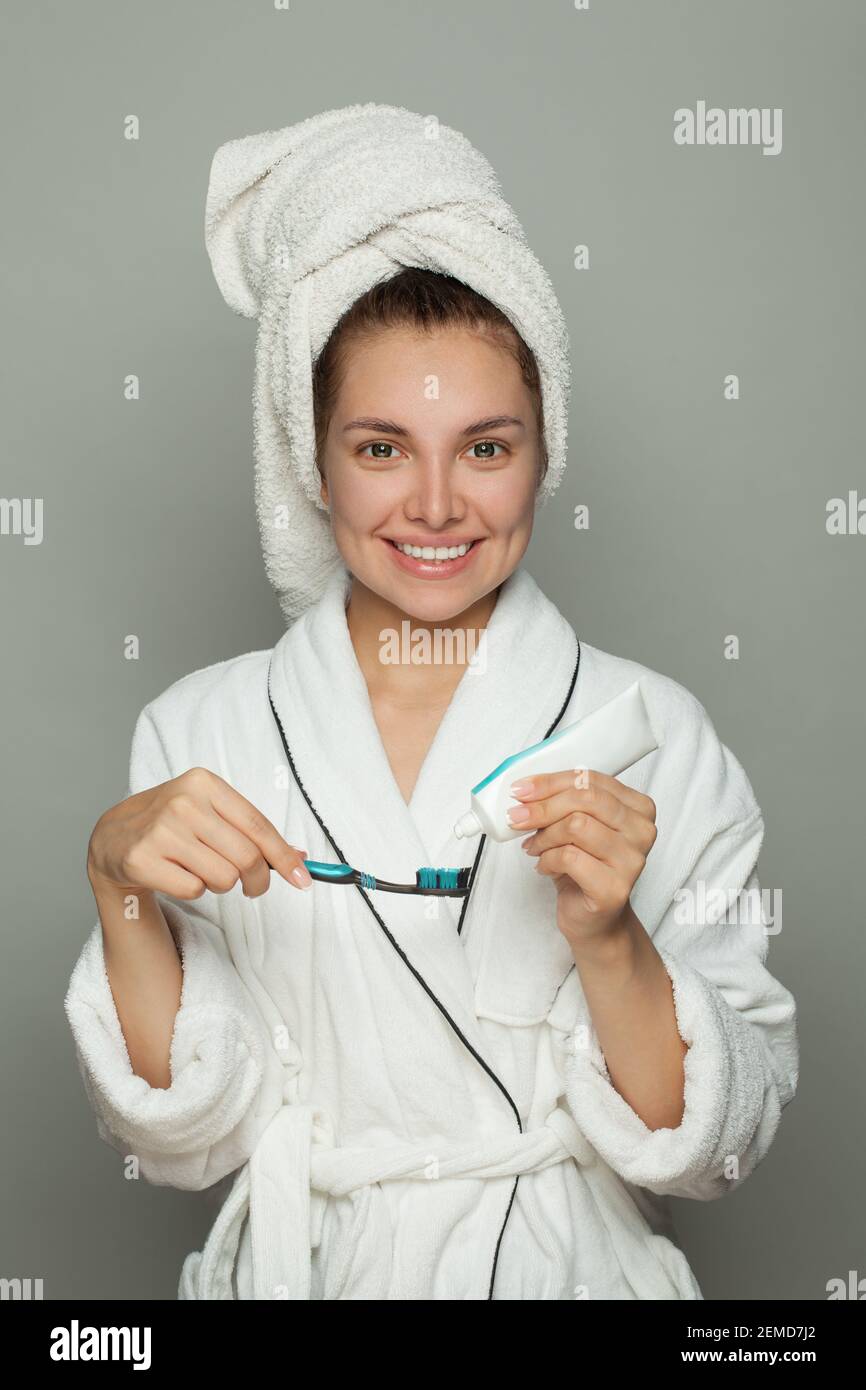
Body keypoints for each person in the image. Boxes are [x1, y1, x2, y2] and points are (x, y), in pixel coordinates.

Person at [64, 104, 799, 1301]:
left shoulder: (654, 733)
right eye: (381, 447)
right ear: (309, 459)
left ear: (543, 448)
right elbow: (177, 1136)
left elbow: (719, 1145)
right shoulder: (197, 734)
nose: (437, 504)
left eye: (486, 447)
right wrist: (118, 889)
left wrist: (607, 937)